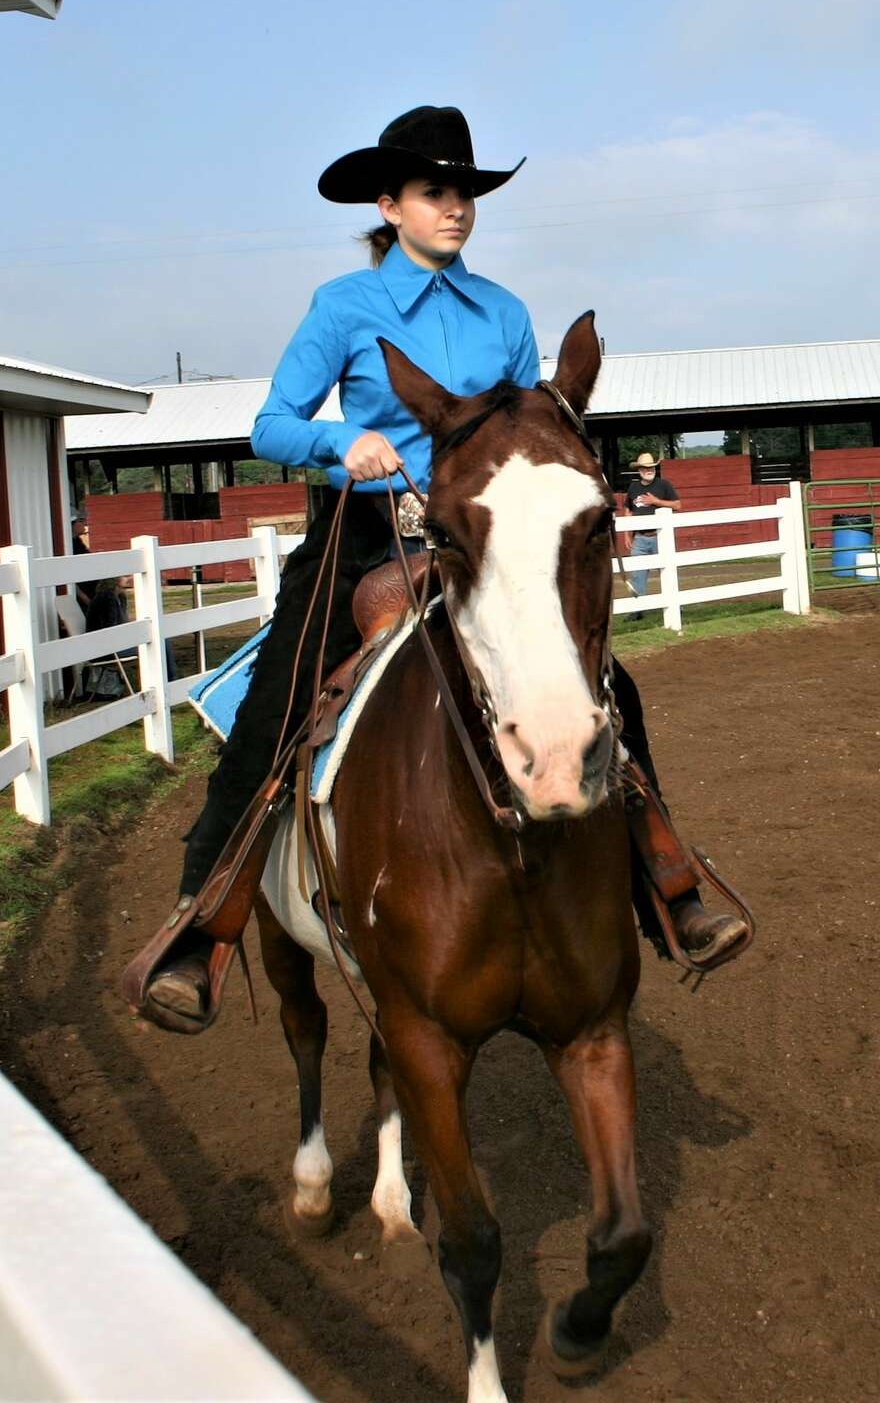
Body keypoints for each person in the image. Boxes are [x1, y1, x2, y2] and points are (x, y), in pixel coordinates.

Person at [136, 105, 746, 1033]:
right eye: (435, 191)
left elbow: (525, 426)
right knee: (278, 701)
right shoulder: (345, 306)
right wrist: (347, 439)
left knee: (607, 683)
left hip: (483, 540)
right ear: (391, 204)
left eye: (465, 191)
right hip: (367, 535)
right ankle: (198, 922)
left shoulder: (503, 311)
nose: (455, 207)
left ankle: (668, 878)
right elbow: (270, 425)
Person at [623, 452, 680, 604]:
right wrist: (627, 535)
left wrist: (656, 501)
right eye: (646, 468)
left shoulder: (663, 484)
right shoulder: (633, 487)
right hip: (640, 538)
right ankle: (638, 608)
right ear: (640, 470)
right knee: (637, 574)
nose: (649, 470)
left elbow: (677, 505)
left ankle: (675, 607)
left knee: (668, 572)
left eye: (652, 468)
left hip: (660, 536)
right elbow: (628, 510)